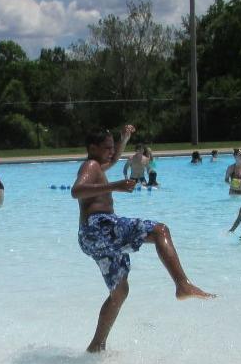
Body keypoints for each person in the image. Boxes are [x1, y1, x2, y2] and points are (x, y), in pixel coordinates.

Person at [72, 124, 214, 352]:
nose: (111, 151)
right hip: (98, 228)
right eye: (107, 147)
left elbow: (116, 159)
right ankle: (183, 285)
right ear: (92, 147)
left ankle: (96, 346)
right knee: (160, 231)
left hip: (93, 237)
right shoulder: (90, 165)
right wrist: (115, 186)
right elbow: (76, 191)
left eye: (112, 147)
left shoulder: (98, 165)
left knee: (120, 292)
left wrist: (124, 138)